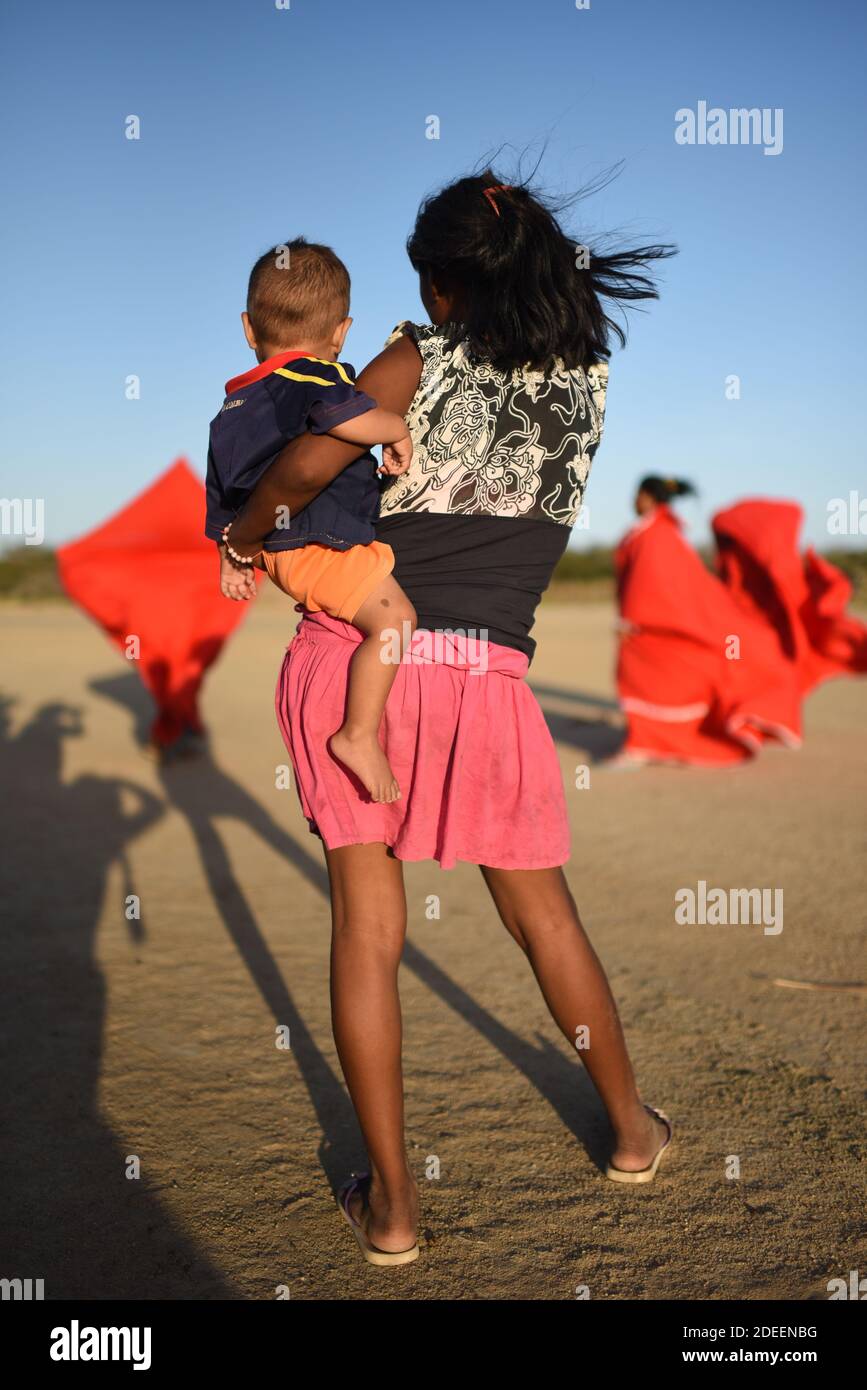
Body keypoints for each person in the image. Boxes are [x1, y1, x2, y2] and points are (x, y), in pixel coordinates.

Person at [222, 172, 677, 1264]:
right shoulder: (588, 379)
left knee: (368, 934)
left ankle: (393, 1208)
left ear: (440, 284)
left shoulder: (414, 357)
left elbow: (308, 458)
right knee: (546, 919)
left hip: (359, 663)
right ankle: (628, 1131)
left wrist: (247, 530)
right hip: (488, 680)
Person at [206, 239, 416, 803]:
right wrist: (395, 428)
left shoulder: (231, 409)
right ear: (342, 332)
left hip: (274, 547)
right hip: (317, 542)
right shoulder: (315, 380)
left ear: (249, 330)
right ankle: (358, 734)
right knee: (395, 622)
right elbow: (347, 420)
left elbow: (224, 495)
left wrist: (232, 557)